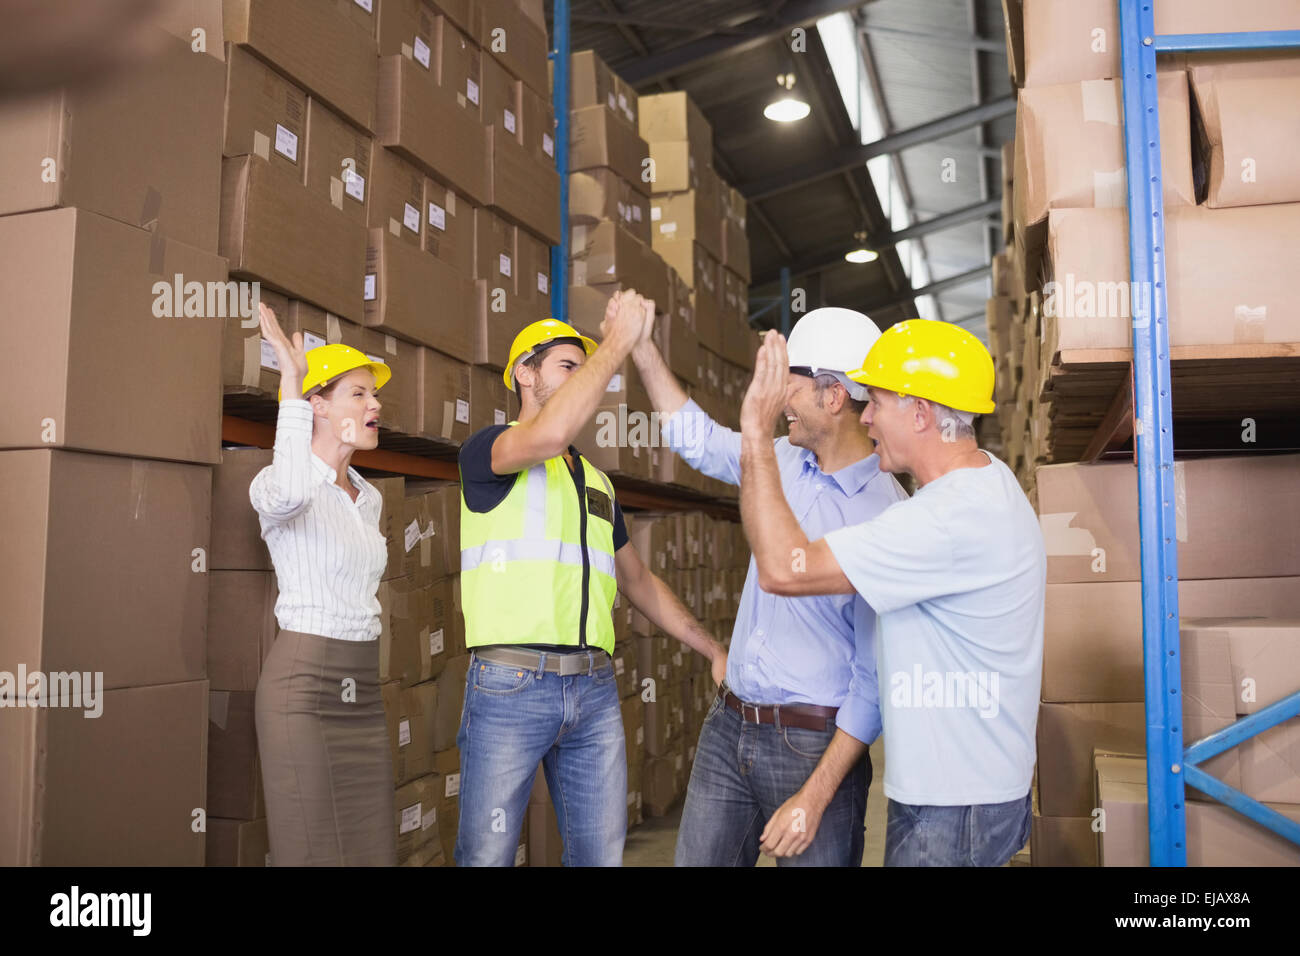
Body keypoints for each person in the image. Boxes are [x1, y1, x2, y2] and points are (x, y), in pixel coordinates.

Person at [736, 319, 1045, 867]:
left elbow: (784, 570)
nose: (867, 415)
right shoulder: (986, 480)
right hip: (973, 793)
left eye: (877, 401)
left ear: (922, 413)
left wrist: (757, 440)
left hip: (952, 807)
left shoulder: (945, 519)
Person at [455, 292, 728, 867]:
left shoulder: (598, 486)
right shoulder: (489, 450)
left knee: (600, 855)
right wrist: (615, 346)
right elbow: (549, 436)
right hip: (510, 684)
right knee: (487, 854)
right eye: (567, 366)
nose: (584, 377)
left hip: (594, 691)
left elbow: (639, 581)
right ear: (524, 375)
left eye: (586, 367)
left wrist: (711, 648)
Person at [631, 304, 907, 867]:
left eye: (791, 386)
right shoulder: (780, 457)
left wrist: (816, 793)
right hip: (729, 724)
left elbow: (874, 682)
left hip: (812, 745)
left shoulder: (889, 517)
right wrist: (641, 348)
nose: (780, 400)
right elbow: (700, 441)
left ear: (833, 396)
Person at [249, 302, 396, 866]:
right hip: (303, 691)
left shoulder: (369, 497)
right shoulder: (278, 485)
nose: (375, 404)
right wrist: (289, 378)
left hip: (361, 688)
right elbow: (289, 492)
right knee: (312, 853)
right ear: (318, 406)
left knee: (370, 850)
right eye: (358, 393)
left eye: (373, 393)